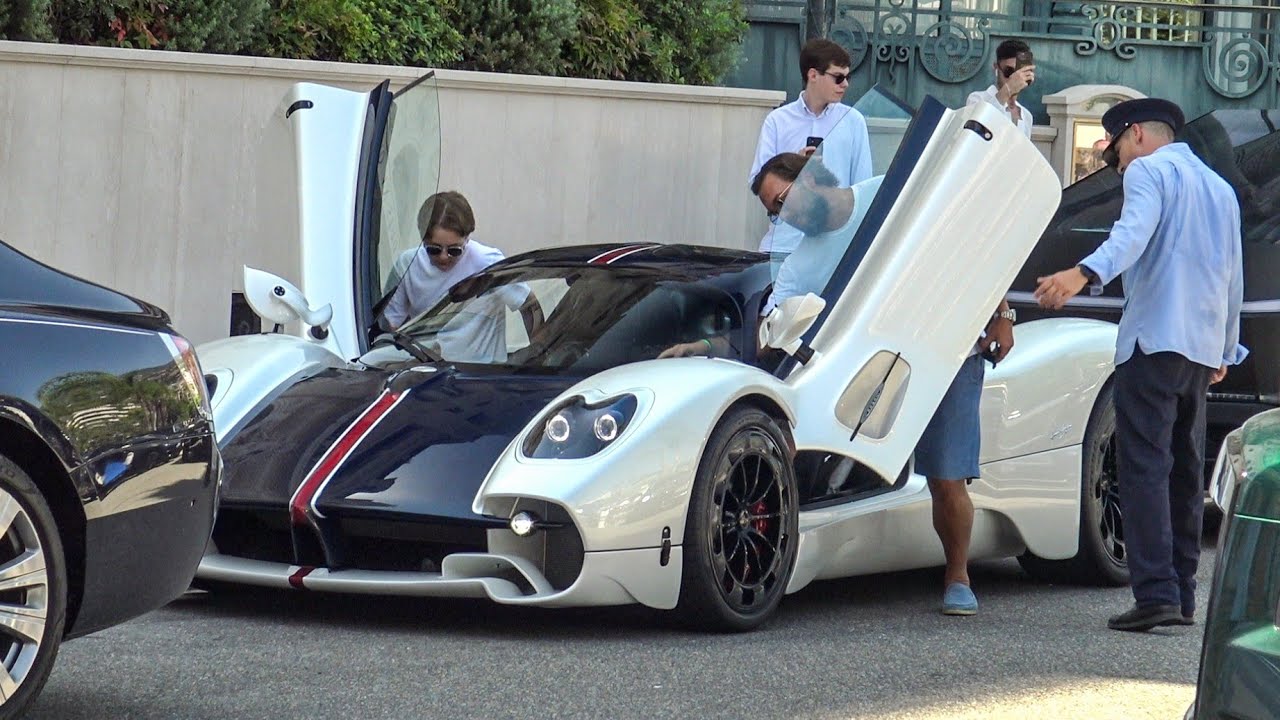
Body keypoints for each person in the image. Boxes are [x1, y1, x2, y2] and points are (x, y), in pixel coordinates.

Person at [1034, 98, 1246, 632]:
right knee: (1184, 470)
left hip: (1153, 341)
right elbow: (1232, 275)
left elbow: (1131, 235)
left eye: (1119, 151)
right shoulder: (1220, 188)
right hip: (1198, 347)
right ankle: (1183, 595)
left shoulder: (1150, 171)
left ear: (1137, 136)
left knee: (1144, 470)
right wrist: (1226, 347)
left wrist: (1082, 272)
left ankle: (1155, 595)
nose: (1121, 165)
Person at [748, 39, 873, 273]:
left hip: (830, 246)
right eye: (838, 77)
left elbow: (862, 186)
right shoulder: (778, 120)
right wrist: (791, 164)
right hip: (783, 244)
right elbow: (757, 180)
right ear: (813, 75)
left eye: (847, 77)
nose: (845, 84)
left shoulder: (853, 121)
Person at [382, 190, 506, 331]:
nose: (443, 256)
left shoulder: (487, 262)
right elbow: (391, 323)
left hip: (481, 354)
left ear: (467, 239)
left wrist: (536, 345)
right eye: (434, 249)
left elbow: (528, 303)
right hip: (424, 352)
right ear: (422, 240)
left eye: (454, 250)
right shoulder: (406, 264)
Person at [968, 40, 1035, 138]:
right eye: (1009, 71)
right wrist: (1008, 89)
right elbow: (975, 132)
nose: (1014, 78)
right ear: (996, 68)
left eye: (1019, 72)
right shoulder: (977, 99)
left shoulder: (1026, 115)